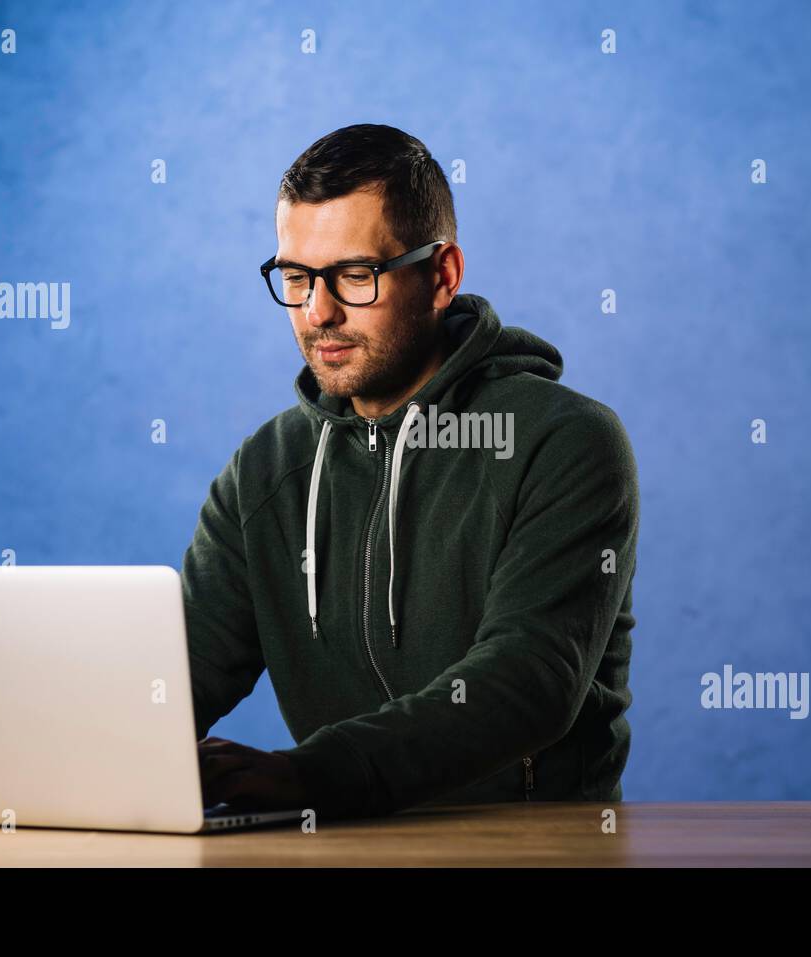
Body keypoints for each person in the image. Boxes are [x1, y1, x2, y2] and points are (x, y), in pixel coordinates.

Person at [186, 123, 639, 821]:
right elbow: (177, 676)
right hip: (347, 845)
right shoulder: (265, 473)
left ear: (442, 275)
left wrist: (312, 774)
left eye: (354, 275)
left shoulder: (564, 440)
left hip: (536, 850)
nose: (318, 312)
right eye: (298, 277)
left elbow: (529, 680)